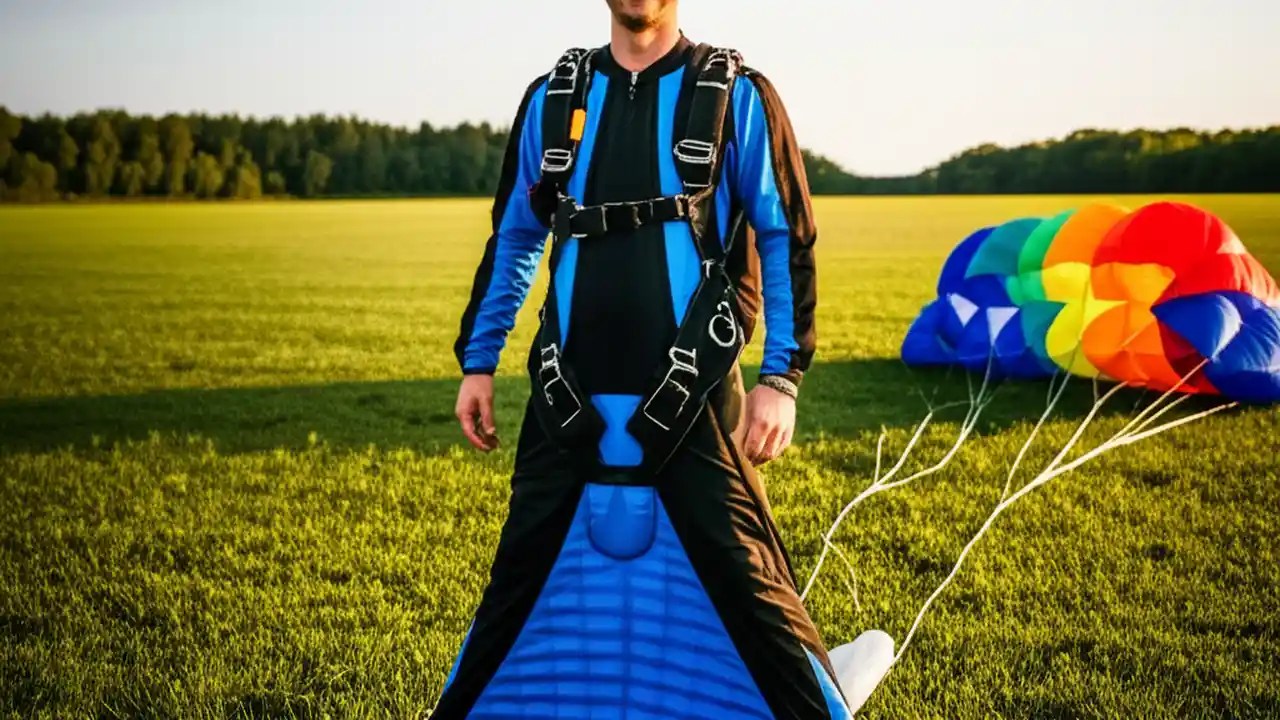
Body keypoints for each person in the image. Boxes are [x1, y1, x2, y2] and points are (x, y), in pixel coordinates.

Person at [437, 1, 848, 718]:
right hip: (568, 399)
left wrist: (781, 377)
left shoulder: (736, 96)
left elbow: (785, 236)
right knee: (513, 589)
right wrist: (479, 362)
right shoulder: (553, 98)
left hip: (692, 402)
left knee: (752, 589)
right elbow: (515, 238)